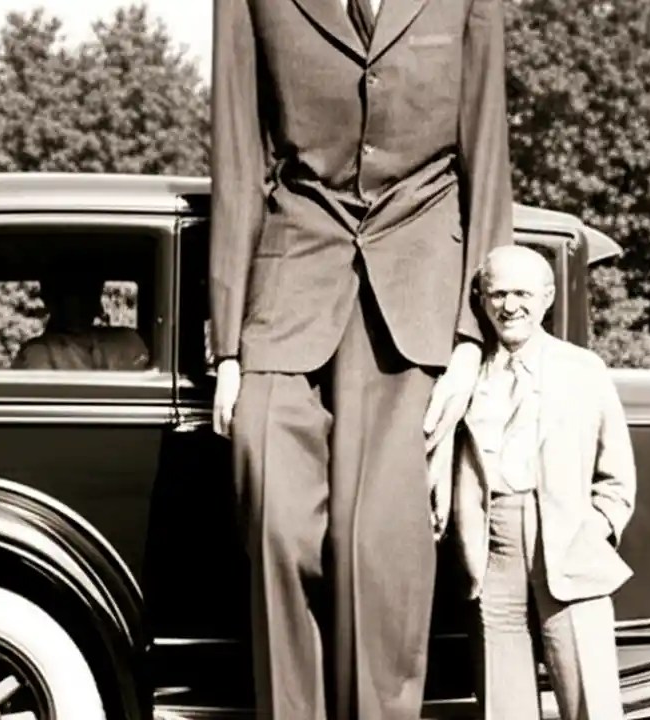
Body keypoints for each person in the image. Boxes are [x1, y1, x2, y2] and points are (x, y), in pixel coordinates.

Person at [207, 0, 514, 717]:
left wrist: (472, 338)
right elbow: (236, 159)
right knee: (276, 530)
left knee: (376, 553)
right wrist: (226, 348)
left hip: (420, 299)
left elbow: (488, 160)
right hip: (286, 295)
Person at [433, 245, 636, 719]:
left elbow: (616, 475)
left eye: (522, 293)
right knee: (503, 701)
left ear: (546, 298)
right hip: (492, 546)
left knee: (591, 698)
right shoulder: (466, 371)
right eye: (498, 293)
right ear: (481, 300)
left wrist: (594, 528)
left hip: (567, 544)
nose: (510, 306)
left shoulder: (583, 369)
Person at [12, 275, 150, 372]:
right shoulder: (37, 352)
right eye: (72, 294)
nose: (83, 303)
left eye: (88, 293)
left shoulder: (127, 342)